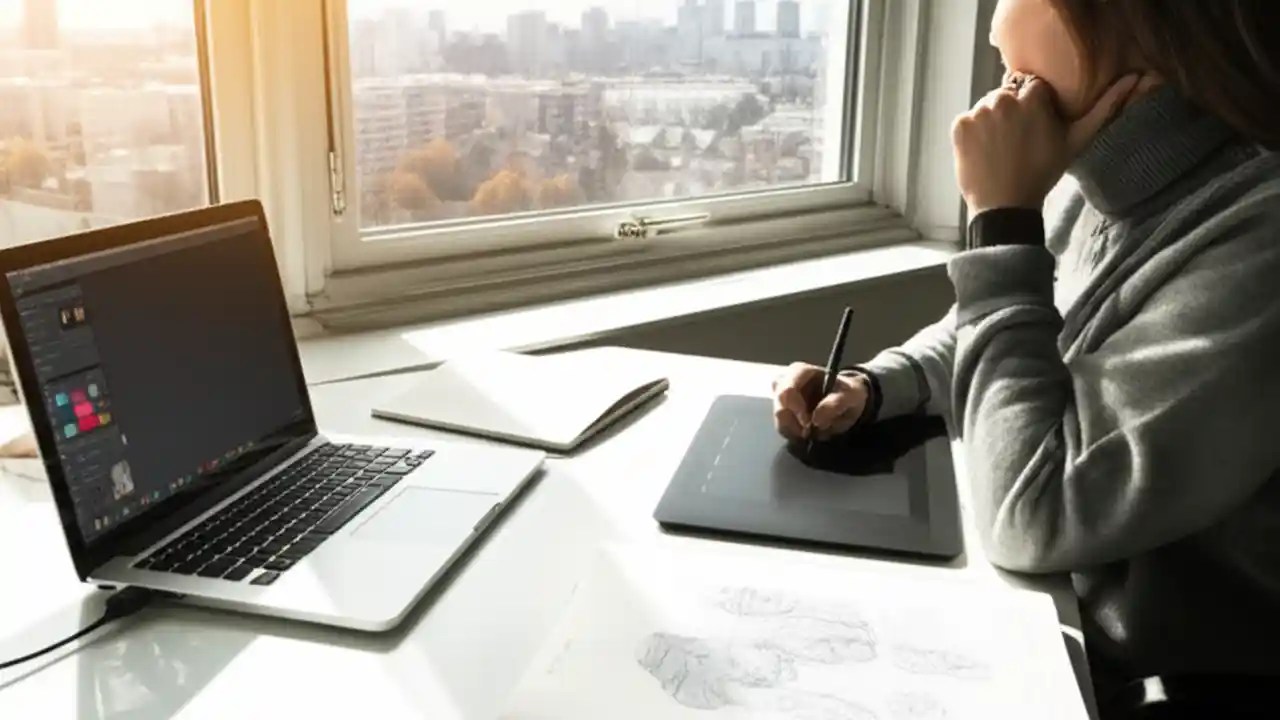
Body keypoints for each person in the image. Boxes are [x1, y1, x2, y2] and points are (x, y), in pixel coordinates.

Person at [773, 0, 1280, 715]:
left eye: (1023, 83)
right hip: (1062, 623)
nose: (996, 107)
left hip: (1188, 680)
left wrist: (1003, 222)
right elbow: (1008, 334)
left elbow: (1036, 517)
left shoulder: (1256, 242)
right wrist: (875, 386)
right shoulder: (1103, 183)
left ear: (1151, 58)